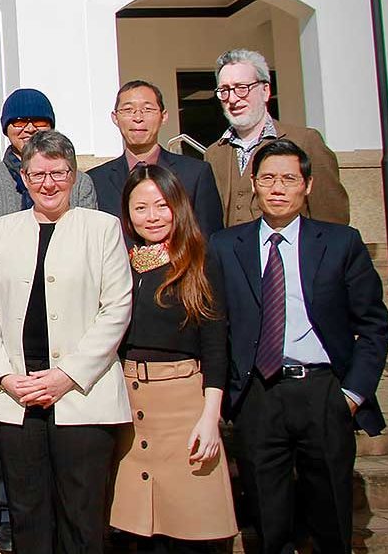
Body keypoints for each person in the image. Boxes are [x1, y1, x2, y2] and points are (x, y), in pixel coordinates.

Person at [209, 139, 388, 553]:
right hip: (258, 395)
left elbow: (374, 327)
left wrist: (352, 395)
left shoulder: (341, 243)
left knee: (330, 518)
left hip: (323, 391)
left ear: (307, 185)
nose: (277, 188)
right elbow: (216, 326)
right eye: (268, 178)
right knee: (269, 521)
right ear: (253, 183)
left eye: (289, 179)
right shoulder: (225, 246)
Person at [0, 130, 132, 554]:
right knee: (28, 515)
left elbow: (116, 310)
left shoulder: (102, 228)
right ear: (23, 177)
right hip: (17, 398)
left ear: (74, 176)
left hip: (82, 395)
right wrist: (4, 376)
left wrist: (67, 375)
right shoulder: (2, 231)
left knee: (82, 515)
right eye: (38, 173)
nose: (48, 183)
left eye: (58, 173)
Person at [108, 164, 237, 552]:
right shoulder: (120, 263)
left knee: (191, 528)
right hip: (130, 405)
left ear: (178, 206)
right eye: (140, 207)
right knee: (139, 532)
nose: (152, 217)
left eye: (161, 206)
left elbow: (216, 342)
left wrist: (210, 417)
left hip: (183, 403)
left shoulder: (199, 258)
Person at [0, 88, 98, 277]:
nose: (30, 128)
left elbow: (89, 243)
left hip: (69, 288)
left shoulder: (79, 182)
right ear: (6, 128)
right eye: (19, 121)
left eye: (39, 121)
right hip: (2, 293)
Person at [204, 49, 348, 227]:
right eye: (224, 90)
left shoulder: (305, 141)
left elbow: (331, 217)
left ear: (265, 91)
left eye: (242, 88)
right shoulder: (214, 153)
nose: (232, 99)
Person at [89, 80, 222, 237]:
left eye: (147, 109)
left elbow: (210, 238)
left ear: (163, 116)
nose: (138, 118)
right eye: (128, 110)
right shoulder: (96, 180)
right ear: (115, 117)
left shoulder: (195, 174)